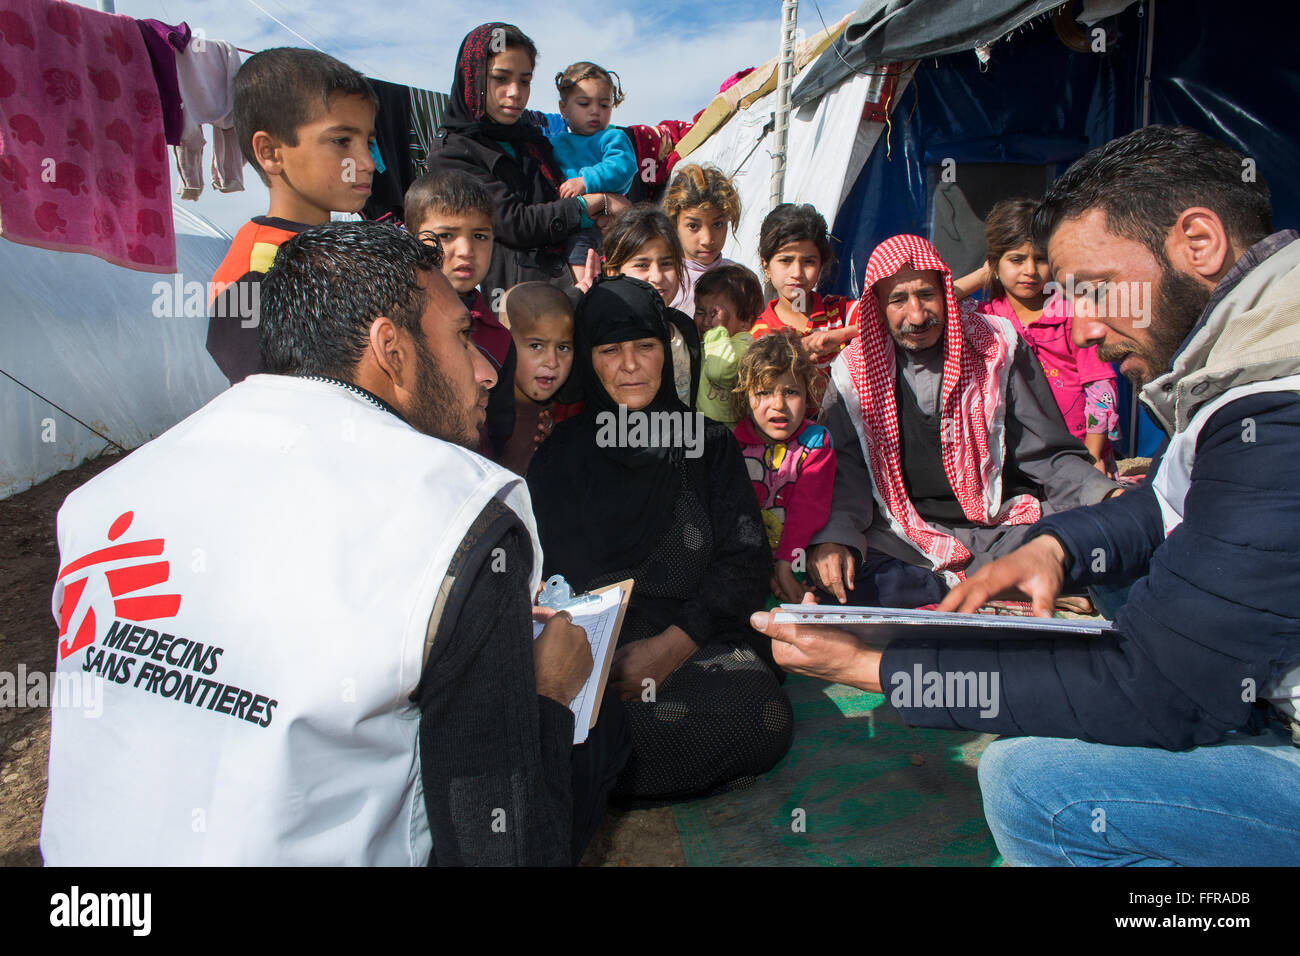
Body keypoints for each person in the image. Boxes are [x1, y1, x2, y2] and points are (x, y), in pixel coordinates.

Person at [754, 126, 1300, 866]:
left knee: (1025, 778)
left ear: (1197, 241)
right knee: (891, 569)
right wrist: (1060, 546)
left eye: (1096, 289)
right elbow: (1166, 504)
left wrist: (872, 669)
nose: (1075, 323)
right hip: (909, 533)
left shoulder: (1267, 411)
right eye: (898, 302)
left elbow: (1152, 680)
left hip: (997, 528)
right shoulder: (1244, 373)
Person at [43, 221, 630, 866]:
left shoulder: (105, 497)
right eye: (464, 337)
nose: (488, 371)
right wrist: (546, 695)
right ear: (392, 350)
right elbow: (507, 850)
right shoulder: (456, 514)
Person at [527, 276, 793, 800]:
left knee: (760, 714)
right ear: (588, 359)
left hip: (696, 647)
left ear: (666, 352)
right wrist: (588, 659)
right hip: (588, 656)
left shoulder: (707, 444)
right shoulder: (559, 455)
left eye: (645, 346)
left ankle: (591, 777)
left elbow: (743, 562)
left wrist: (671, 648)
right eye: (610, 350)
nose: (630, 366)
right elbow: (540, 579)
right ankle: (595, 765)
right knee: (547, 717)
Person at [806, 233, 1121, 607]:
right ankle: (996, 589)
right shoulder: (852, 374)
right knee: (842, 579)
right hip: (907, 537)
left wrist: (1106, 496)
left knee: (1098, 547)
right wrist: (836, 537)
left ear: (944, 291)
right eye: (898, 300)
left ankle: (977, 587)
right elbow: (845, 473)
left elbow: (1049, 456)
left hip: (1006, 528)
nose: (917, 315)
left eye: (926, 295)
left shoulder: (998, 348)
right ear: (877, 307)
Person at [205, 48, 377, 386]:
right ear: (270, 153)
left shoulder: (350, 247)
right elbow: (266, 396)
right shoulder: (256, 269)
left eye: (368, 142)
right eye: (342, 141)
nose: (367, 162)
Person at [426, 23, 630, 301]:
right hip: (515, 307)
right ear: (472, 78)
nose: (515, 92)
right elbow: (513, 222)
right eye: (500, 78)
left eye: (524, 81)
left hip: (571, 292)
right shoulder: (454, 152)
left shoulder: (532, 140)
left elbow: (557, 196)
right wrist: (595, 203)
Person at [961, 198, 1122, 473]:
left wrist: (1093, 458)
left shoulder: (1075, 314)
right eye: (1016, 259)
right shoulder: (987, 317)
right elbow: (931, 305)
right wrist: (983, 275)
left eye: (1040, 259)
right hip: (1013, 458)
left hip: (1077, 455)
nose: (1030, 271)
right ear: (994, 263)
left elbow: (1100, 387)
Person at [405, 168, 516, 457]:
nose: (466, 250)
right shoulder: (392, 321)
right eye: (446, 235)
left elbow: (500, 430)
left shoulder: (500, 339)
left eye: (480, 236)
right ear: (411, 237)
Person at [733, 330, 835, 605]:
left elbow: (807, 511)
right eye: (764, 392)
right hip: (744, 560)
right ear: (745, 396)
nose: (778, 405)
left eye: (790, 392)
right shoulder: (730, 447)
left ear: (808, 392)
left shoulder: (815, 443)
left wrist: (785, 564)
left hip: (799, 557)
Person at [601, 205, 702, 407]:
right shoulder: (602, 336)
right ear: (613, 272)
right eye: (641, 265)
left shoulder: (685, 328)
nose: (657, 277)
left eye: (666, 264)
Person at [550, 62, 636, 281]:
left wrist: (586, 182)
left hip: (610, 223)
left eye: (604, 105)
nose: (595, 111)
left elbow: (622, 168)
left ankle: (589, 290)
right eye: (584, 103)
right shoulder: (555, 144)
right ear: (563, 108)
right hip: (572, 222)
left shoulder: (612, 137)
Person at [749, 203, 858, 373]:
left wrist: (841, 335)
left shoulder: (840, 312)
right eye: (786, 260)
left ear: (821, 264)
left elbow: (883, 323)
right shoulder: (758, 335)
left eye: (809, 262)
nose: (797, 273)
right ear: (766, 266)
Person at [498, 281, 576, 475]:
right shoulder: (482, 416)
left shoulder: (566, 417)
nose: (552, 362)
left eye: (563, 347)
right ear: (505, 342)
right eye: (536, 346)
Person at [661, 164, 742, 318]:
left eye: (717, 224)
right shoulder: (664, 279)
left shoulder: (740, 280)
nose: (707, 239)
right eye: (693, 226)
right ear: (674, 224)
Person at [694, 263, 763, 426]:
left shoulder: (744, 346)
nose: (706, 322)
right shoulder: (705, 342)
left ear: (745, 322)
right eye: (699, 312)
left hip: (726, 432)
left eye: (716, 315)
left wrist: (718, 330)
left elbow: (718, 372)